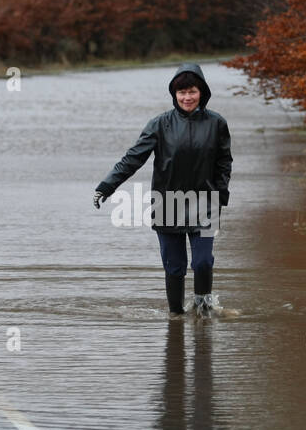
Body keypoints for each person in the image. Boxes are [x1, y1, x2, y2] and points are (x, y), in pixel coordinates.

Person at [94, 63, 232, 316]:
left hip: (205, 202)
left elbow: (224, 162)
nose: (187, 97)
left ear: (201, 92)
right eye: (181, 92)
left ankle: (204, 312)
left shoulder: (216, 123)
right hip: (167, 203)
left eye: (191, 91)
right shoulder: (159, 124)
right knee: (174, 266)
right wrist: (106, 186)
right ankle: (176, 317)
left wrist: (220, 194)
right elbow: (133, 158)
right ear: (174, 94)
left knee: (202, 262)